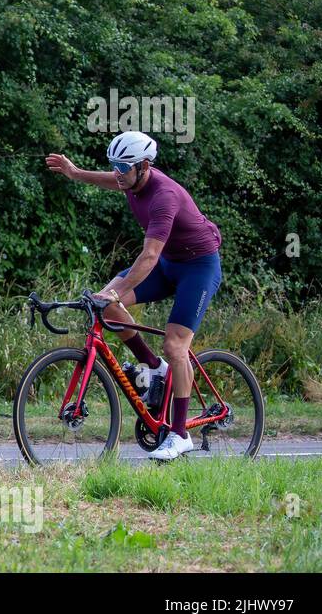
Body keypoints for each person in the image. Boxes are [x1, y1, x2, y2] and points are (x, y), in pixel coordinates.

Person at [45, 130, 223, 461]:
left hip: (198, 267)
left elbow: (149, 256)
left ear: (143, 166)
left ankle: (180, 434)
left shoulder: (164, 195)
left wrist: (121, 292)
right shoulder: (129, 179)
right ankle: (154, 368)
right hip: (170, 264)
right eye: (114, 165)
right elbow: (109, 179)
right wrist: (74, 172)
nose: (117, 172)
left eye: (122, 167)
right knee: (104, 303)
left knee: (175, 344)